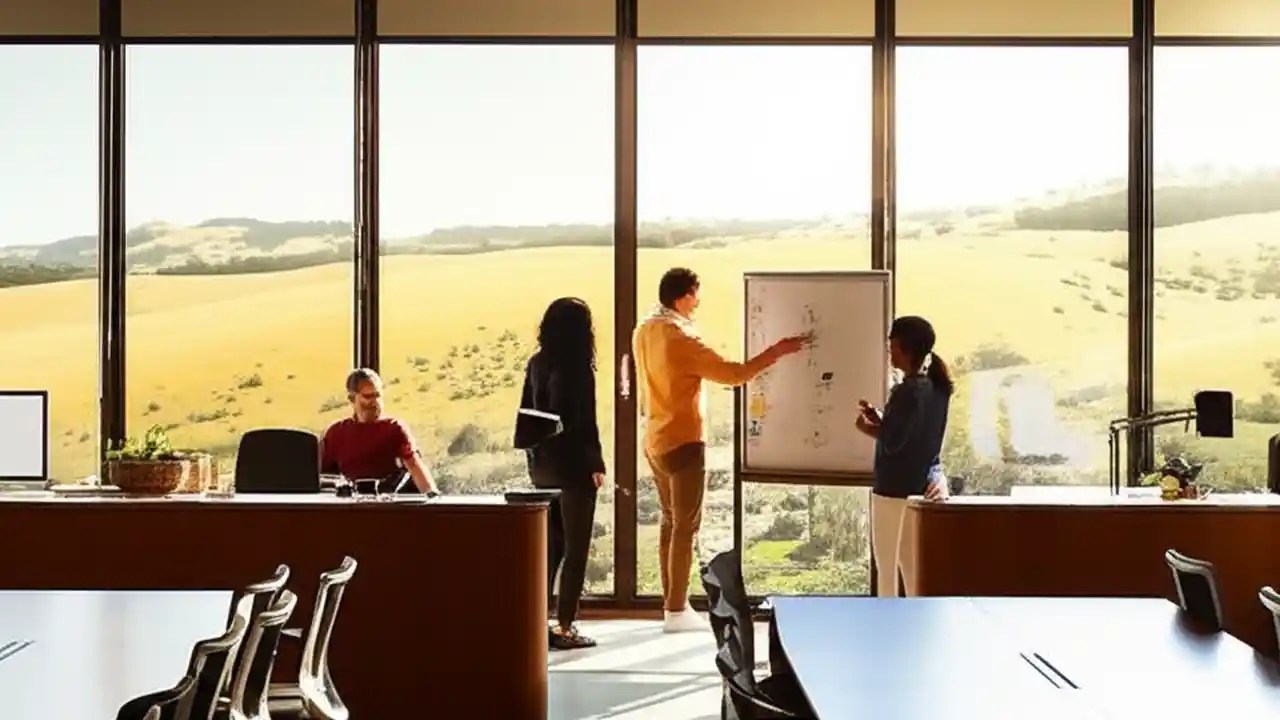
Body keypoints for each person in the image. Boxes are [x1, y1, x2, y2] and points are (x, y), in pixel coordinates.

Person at [633, 267, 809, 632]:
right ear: (683, 297)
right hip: (683, 441)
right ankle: (676, 610)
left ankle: (672, 606)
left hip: (655, 439)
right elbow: (734, 374)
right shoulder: (680, 337)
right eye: (695, 295)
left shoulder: (645, 329)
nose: (698, 302)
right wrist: (776, 351)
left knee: (670, 522)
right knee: (685, 527)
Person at [519, 297, 606, 650]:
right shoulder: (578, 367)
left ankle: (538, 622)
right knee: (576, 548)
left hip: (543, 466)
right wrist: (596, 463)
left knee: (551, 549)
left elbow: (528, 415)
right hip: (573, 467)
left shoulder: (536, 363)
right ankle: (566, 625)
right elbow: (584, 422)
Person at [855, 316, 954, 598]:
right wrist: (882, 420)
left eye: (893, 345)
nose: (889, 351)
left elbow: (894, 442)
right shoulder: (938, 388)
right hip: (920, 489)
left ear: (905, 349)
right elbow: (913, 435)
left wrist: (866, 427)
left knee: (887, 569)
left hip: (892, 489)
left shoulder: (905, 391)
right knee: (912, 570)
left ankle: (887, 620)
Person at [319, 368, 439, 496]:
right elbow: (324, 478)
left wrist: (432, 496)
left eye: (377, 395)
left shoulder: (394, 428)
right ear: (352, 398)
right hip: (351, 503)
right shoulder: (336, 433)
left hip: (387, 502)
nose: (374, 402)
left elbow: (414, 466)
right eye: (368, 397)